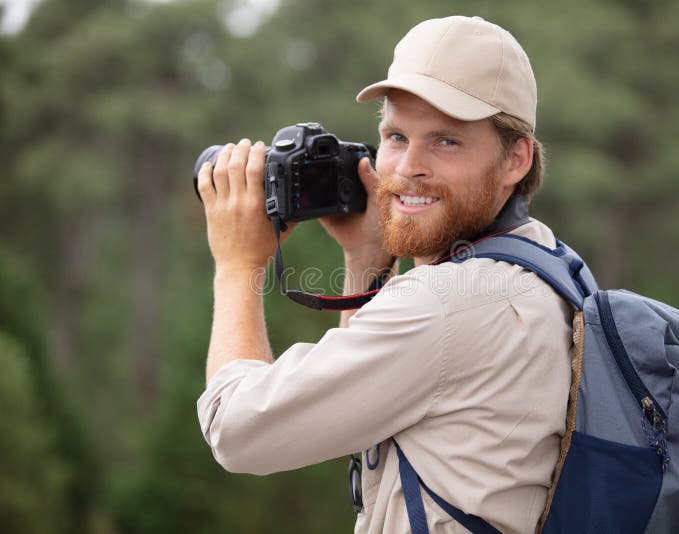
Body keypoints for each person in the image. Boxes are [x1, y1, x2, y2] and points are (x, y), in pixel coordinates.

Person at [197, 15, 573, 533]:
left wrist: (237, 265)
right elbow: (357, 418)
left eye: (446, 141)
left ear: (516, 160)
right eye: (396, 135)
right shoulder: (547, 266)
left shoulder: (446, 304)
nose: (406, 167)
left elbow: (237, 430)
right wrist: (369, 261)